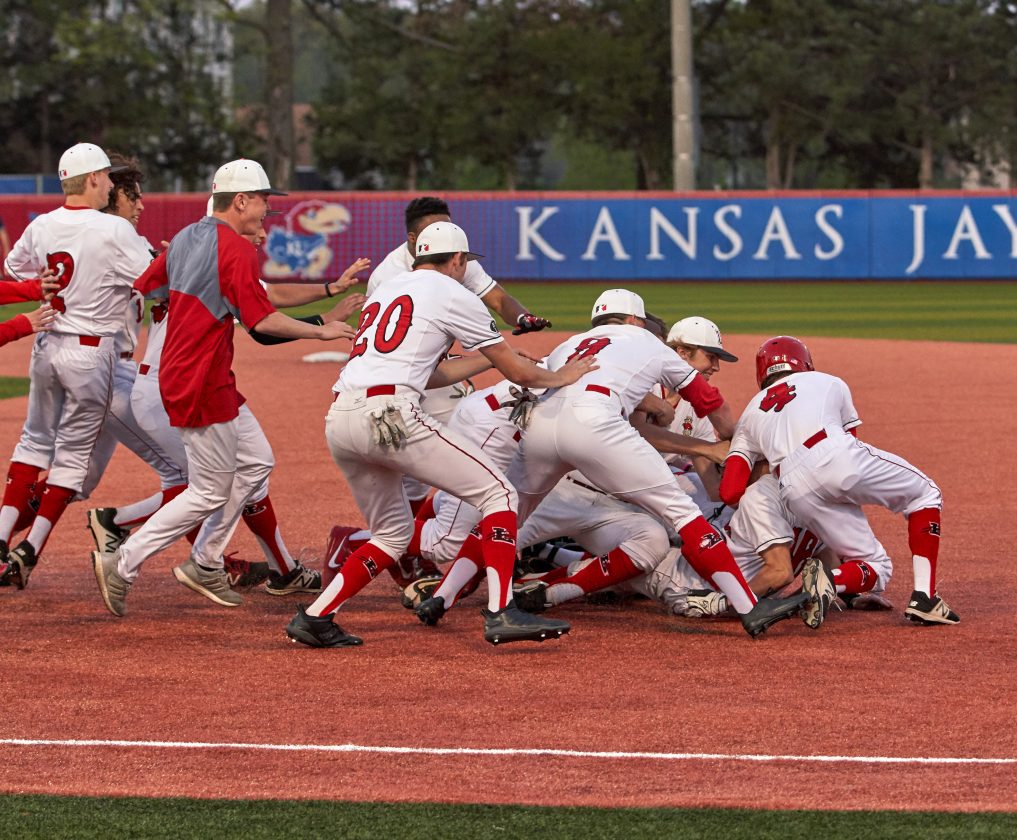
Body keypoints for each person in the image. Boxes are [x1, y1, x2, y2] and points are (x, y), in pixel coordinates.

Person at [423, 290, 811, 639]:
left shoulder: (570, 344)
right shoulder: (647, 341)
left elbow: (535, 384)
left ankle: (443, 599)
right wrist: (734, 441)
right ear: (635, 321)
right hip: (594, 426)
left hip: (541, 428)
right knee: (683, 514)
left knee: (509, 514)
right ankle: (749, 607)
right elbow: (708, 400)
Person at [283, 221, 596, 648]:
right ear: (456, 260)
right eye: (464, 263)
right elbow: (520, 373)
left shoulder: (390, 288)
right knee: (500, 494)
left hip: (342, 416)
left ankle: (317, 615)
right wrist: (561, 375)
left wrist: (485, 362)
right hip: (391, 414)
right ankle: (501, 611)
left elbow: (430, 376)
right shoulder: (453, 292)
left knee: (392, 534)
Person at [91, 158, 354, 616]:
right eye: (264, 201)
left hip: (205, 376)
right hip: (197, 379)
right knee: (208, 490)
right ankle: (125, 562)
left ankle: (206, 560)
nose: (267, 211)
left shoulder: (191, 234)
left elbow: (150, 284)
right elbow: (261, 320)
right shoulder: (232, 247)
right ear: (241, 200)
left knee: (256, 462)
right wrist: (322, 330)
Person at [718, 335, 958, 626]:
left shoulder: (749, 415)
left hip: (792, 486)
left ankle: (831, 580)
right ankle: (926, 597)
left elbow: (730, 491)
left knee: (875, 566)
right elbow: (850, 443)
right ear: (804, 363)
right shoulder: (827, 381)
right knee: (925, 494)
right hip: (833, 454)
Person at [0, 143, 154, 588]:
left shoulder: (43, 223)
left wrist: (43, 284)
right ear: (90, 180)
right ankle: (29, 550)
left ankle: (3, 537)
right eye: (105, 176)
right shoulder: (114, 230)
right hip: (92, 351)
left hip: (47, 341)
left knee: (33, 443)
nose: (110, 183)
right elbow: (153, 281)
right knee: (71, 459)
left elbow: (15, 267)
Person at [368, 197, 552, 528]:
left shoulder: (451, 254)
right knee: (473, 448)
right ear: (414, 239)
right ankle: (442, 540)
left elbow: (498, 298)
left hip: (430, 372)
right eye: (437, 227)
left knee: (458, 450)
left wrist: (522, 316)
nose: (446, 232)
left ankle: (419, 542)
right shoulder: (388, 275)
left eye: (450, 226)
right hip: (407, 377)